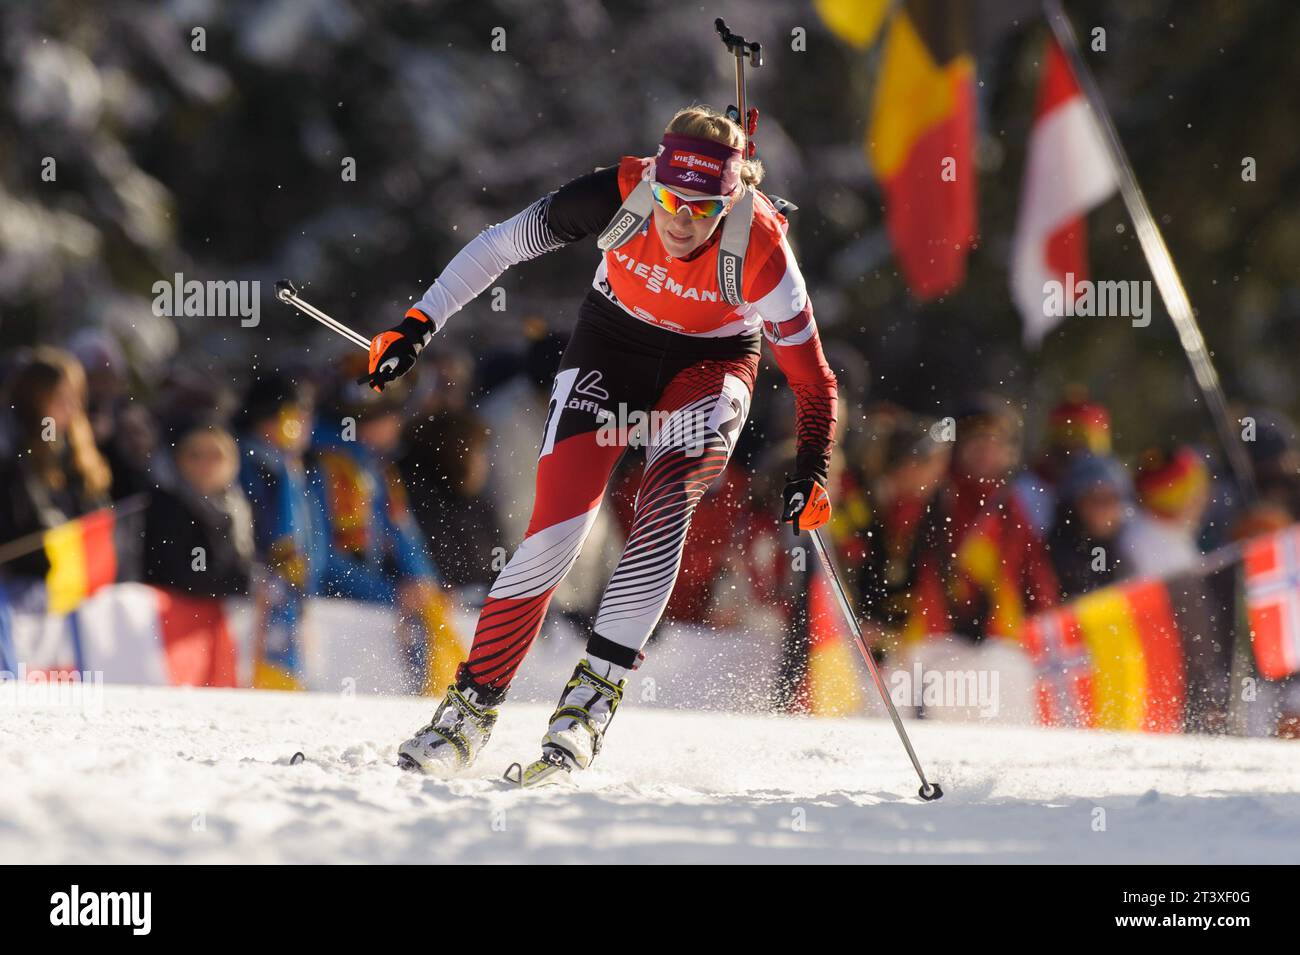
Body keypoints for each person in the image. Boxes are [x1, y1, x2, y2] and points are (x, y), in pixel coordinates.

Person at [367, 105, 839, 783]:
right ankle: (466, 713)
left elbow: (814, 379)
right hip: (612, 344)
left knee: (667, 498)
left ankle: (586, 707)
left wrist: (813, 467)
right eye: (672, 199)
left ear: (731, 199)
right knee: (555, 534)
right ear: (656, 178)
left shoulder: (763, 249)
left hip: (710, 366)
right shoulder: (619, 191)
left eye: (703, 208)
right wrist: (417, 324)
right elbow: (501, 244)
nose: (680, 220)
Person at [0, 348, 113, 583]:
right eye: (61, 397)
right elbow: (25, 537)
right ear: (34, 400)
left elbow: (95, 510)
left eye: (76, 397)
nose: (71, 408)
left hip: (77, 586)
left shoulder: (75, 449)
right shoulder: (14, 459)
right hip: (26, 592)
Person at [143, 418, 253, 597]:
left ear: (233, 463)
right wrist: (246, 582)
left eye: (216, 456)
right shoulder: (170, 508)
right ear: (177, 460)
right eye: (194, 455)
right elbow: (194, 575)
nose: (205, 465)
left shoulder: (237, 508)